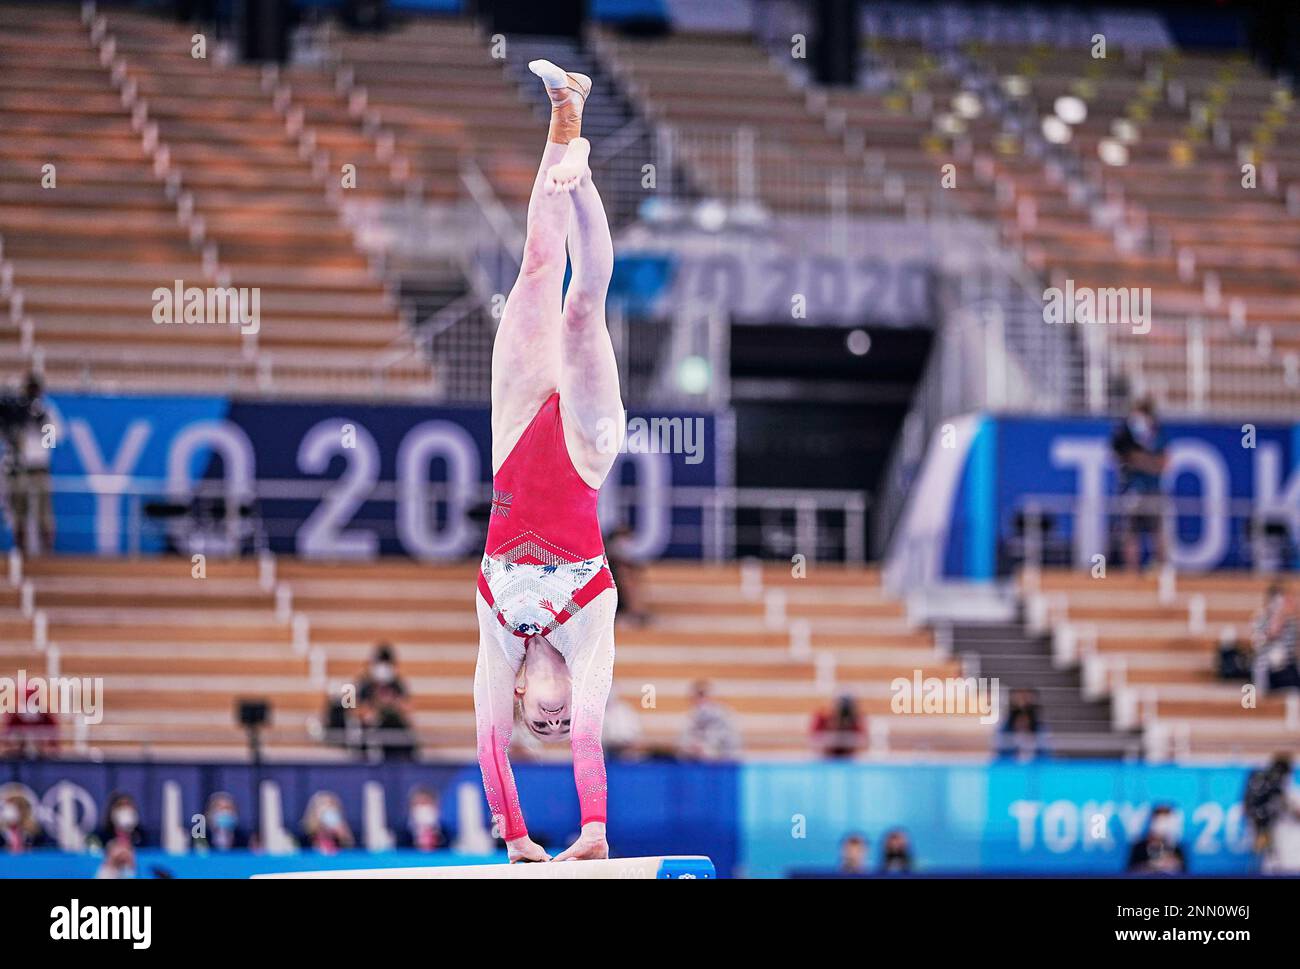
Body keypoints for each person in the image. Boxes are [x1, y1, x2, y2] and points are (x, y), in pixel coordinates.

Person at [473, 59, 624, 865]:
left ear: (526, 693)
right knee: (579, 307)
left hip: (511, 435)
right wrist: (590, 830)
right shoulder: (593, 635)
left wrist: (517, 836)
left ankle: (567, 115)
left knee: (536, 268)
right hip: (586, 454)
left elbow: (488, 741)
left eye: (547, 722)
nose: (561, 721)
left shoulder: (498, 636)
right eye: (562, 727)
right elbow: (593, 741)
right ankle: (584, 176)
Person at [1110, 396, 1167, 571]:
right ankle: (1132, 572)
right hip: (1132, 490)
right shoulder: (1127, 432)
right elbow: (1119, 455)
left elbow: (1163, 464)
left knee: (1156, 531)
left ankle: (1162, 570)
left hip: (1152, 490)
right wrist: (1145, 461)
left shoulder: (1157, 434)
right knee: (1130, 532)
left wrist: (1138, 460)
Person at [2, 372, 56, 555]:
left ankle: (46, 550)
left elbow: (51, 441)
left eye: (35, 389)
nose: (32, 393)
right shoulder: (17, 408)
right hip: (19, 467)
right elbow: (7, 437)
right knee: (19, 508)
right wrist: (17, 422)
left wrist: (41, 421)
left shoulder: (47, 409)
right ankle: (21, 548)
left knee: (43, 510)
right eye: (29, 389)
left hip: (39, 466)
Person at [1251, 585, 1300, 693]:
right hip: (1267, 669)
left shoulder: (1292, 622)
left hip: (1287, 669)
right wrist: (1277, 620)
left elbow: (1294, 653)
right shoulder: (1261, 618)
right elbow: (1258, 645)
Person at [678, 680, 741, 761]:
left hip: (722, 764)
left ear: (711, 696)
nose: (699, 699)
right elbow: (683, 744)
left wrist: (709, 751)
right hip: (698, 765)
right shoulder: (689, 718)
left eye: (702, 695)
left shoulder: (724, 715)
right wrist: (692, 749)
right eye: (696, 696)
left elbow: (732, 744)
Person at [606, 525, 651, 625]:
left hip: (623, 610)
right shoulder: (604, 566)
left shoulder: (631, 567)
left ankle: (636, 612)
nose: (623, 545)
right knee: (624, 574)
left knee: (629, 574)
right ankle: (635, 612)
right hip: (609, 609)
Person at [1126, 804, 1187, 874]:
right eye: (1159, 821)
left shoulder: (1176, 849)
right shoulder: (1139, 848)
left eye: (1166, 822)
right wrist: (1151, 866)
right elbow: (1130, 871)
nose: (1162, 826)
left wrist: (1174, 866)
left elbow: (1184, 872)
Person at [996, 688, 1047, 760]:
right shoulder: (1006, 729)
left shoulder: (1039, 729)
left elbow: (1044, 754)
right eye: (1021, 698)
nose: (1023, 702)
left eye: (1025, 698)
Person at [397, 787, 444, 851]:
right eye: (418, 803)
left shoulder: (445, 833)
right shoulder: (401, 832)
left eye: (425, 803)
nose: (422, 808)